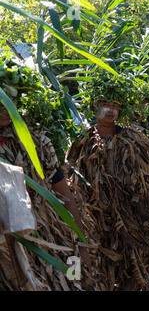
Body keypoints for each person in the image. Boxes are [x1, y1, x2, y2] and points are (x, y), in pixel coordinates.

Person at [0, 96, 92, 289]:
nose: (4, 106)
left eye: (8, 99)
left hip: (46, 240)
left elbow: (63, 192)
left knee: (71, 281)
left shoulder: (37, 142)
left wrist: (81, 243)